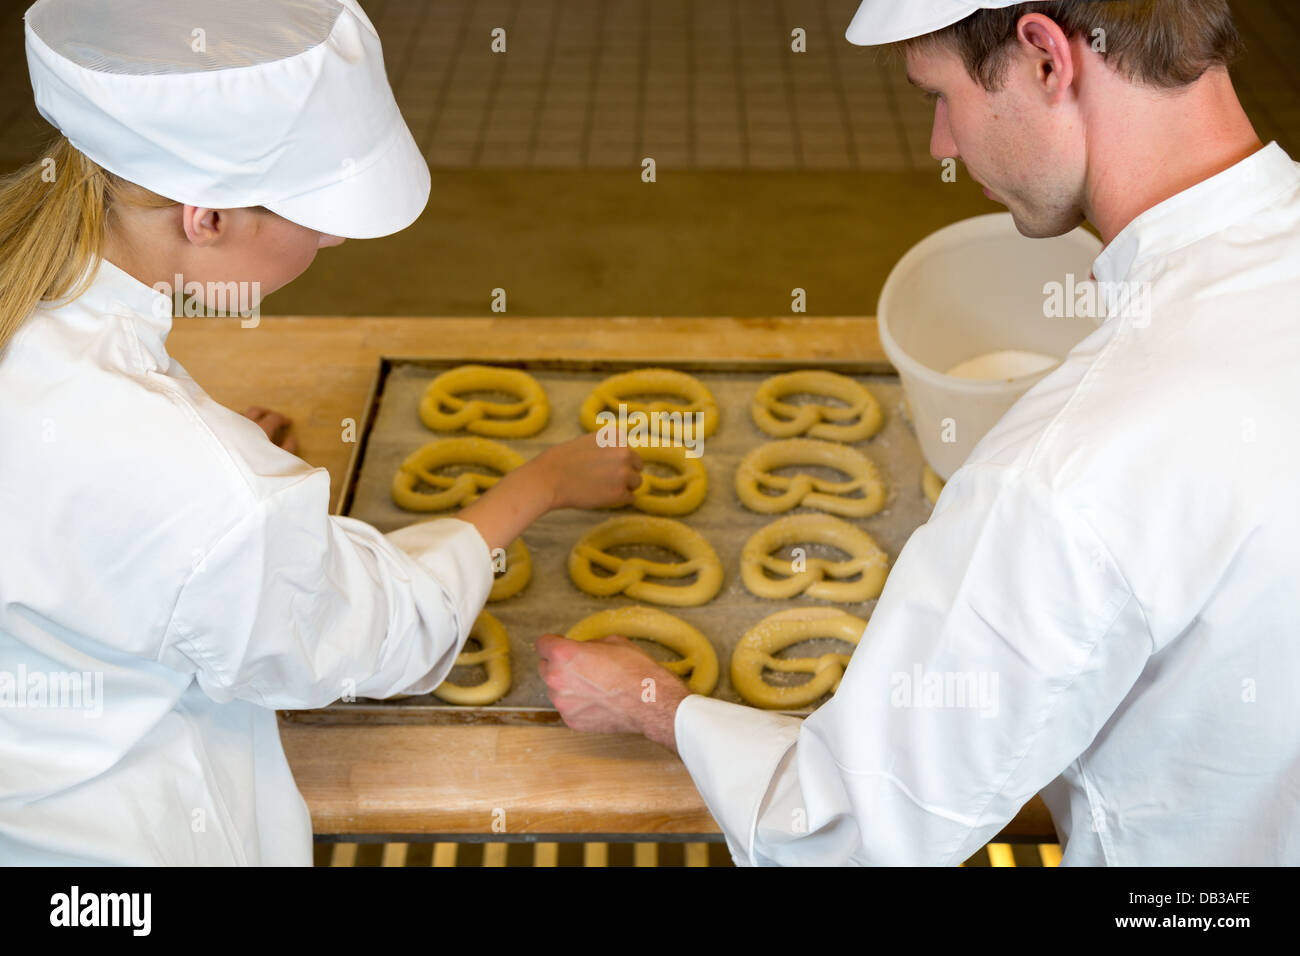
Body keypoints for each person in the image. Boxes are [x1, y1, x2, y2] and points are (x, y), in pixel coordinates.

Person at [538, 0, 1300, 865]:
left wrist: (654, 707)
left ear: (1047, 59)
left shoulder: (1069, 469)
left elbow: (860, 832)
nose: (942, 142)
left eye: (938, 93)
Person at [0, 0, 640, 865]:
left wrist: (211, 480)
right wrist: (545, 484)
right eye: (320, 216)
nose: (336, 236)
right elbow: (383, 636)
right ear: (206, 217)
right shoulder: (207, 487)